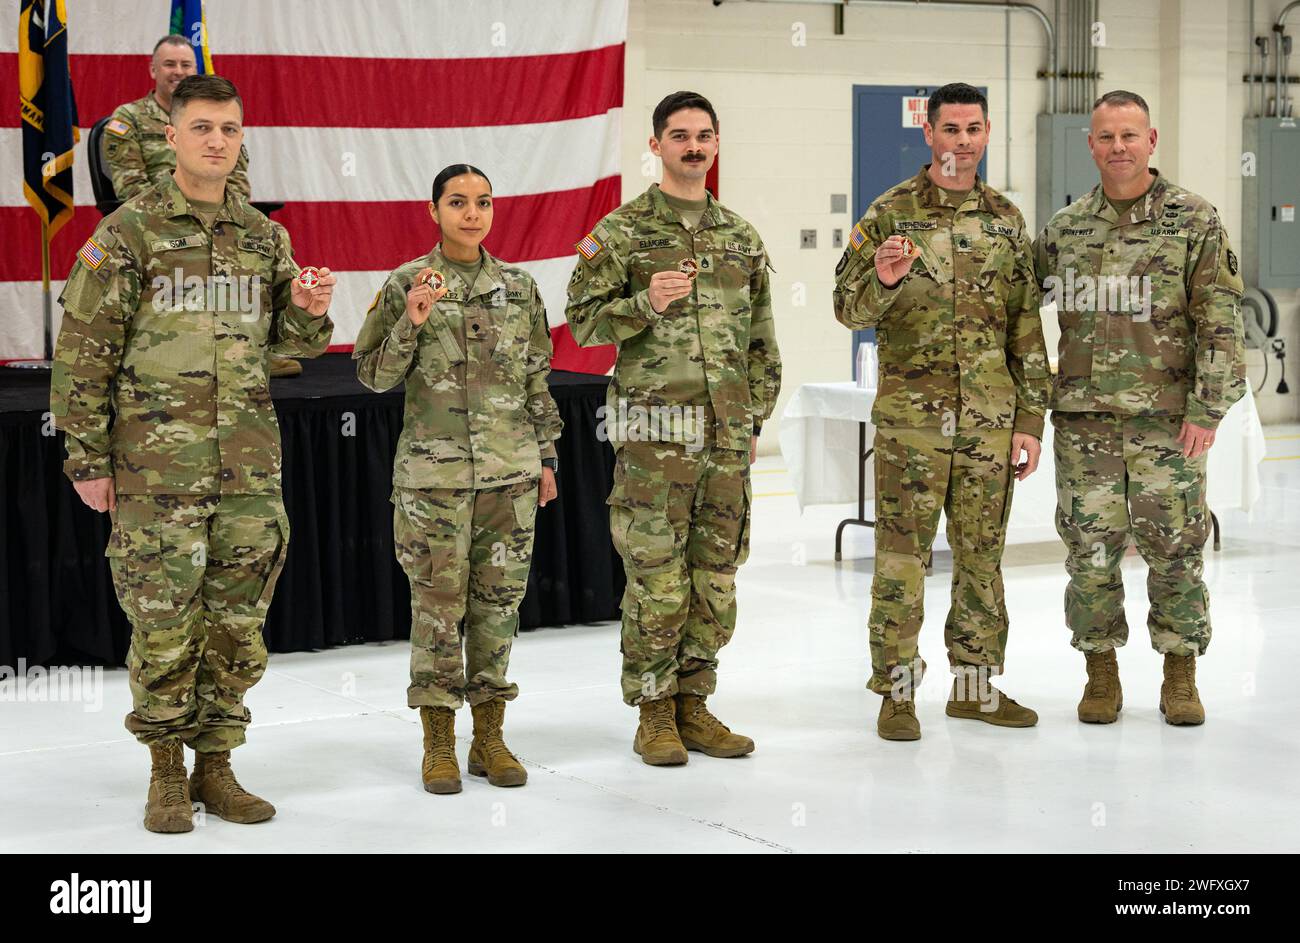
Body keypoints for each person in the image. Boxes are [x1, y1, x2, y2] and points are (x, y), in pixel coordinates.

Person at [51, 75, 334, 833]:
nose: (217, 140)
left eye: (230, 129)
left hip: (247, 470)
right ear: (170, 136)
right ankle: (166, 770)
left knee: (238, 625)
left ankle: (218, 763)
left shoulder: (262, 236)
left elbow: (292, 345)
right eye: (202, 126)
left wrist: (309, 310)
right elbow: (83, 354)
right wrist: (87, 460)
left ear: (242, 140)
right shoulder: (127, 235)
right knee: (164, 621)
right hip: (155, 474)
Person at [565, 91, 781, 767]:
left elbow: (762, 339)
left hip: (724, 438)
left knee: (715, 577)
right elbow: (581, 323)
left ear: (716, 144)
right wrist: (645, 303)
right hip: (655, 437)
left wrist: (752, 415)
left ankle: (696, 701)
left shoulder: (740, 235)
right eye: (680, 135)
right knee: (657, 579)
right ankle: (654, 710)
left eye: (705, 135)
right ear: (656, 146)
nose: (694, 146)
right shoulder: (621, 233)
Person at [833, 82, 1050, 741]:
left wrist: (1029, 421)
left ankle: (975, 688)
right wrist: (887, 279)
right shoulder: (889, 213)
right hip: (912, 426)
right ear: (927, 135)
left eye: (973, 128)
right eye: (950, 128)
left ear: (987, 134)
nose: (962, 140)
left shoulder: (1007, 220)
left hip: (987, 422)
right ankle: (897, 693)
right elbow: (848, 306)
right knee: (901, 559)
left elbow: (1025, 328)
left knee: (982, 557)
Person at [1034, 90, 1246, 727]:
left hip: (1167, 424)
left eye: (1129, 135)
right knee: (1089, 552)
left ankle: (1179, 673)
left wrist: (1207, 410)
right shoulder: (1065, 230)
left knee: (1175, 548)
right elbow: (1019, 316)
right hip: (1084, 424)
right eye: (1105, 137)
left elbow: (1223, 323)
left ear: (1151, 141)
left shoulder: (1194, 220)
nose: (1118, 147)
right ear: (1090, 144)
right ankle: (1100, 672)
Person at [354, 164, 562, 794]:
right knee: (439, 611)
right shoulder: (406, 283)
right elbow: (372, 375)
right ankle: (439, 741)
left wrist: (546, 459)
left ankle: (490, 738)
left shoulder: (520, 288)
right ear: (433, 210)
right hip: (434, 482)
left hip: (510, 475)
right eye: (458, 202)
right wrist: (412, 320)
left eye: (483, 202)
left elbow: (536, 381)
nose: (472, 213)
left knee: (499, 608)